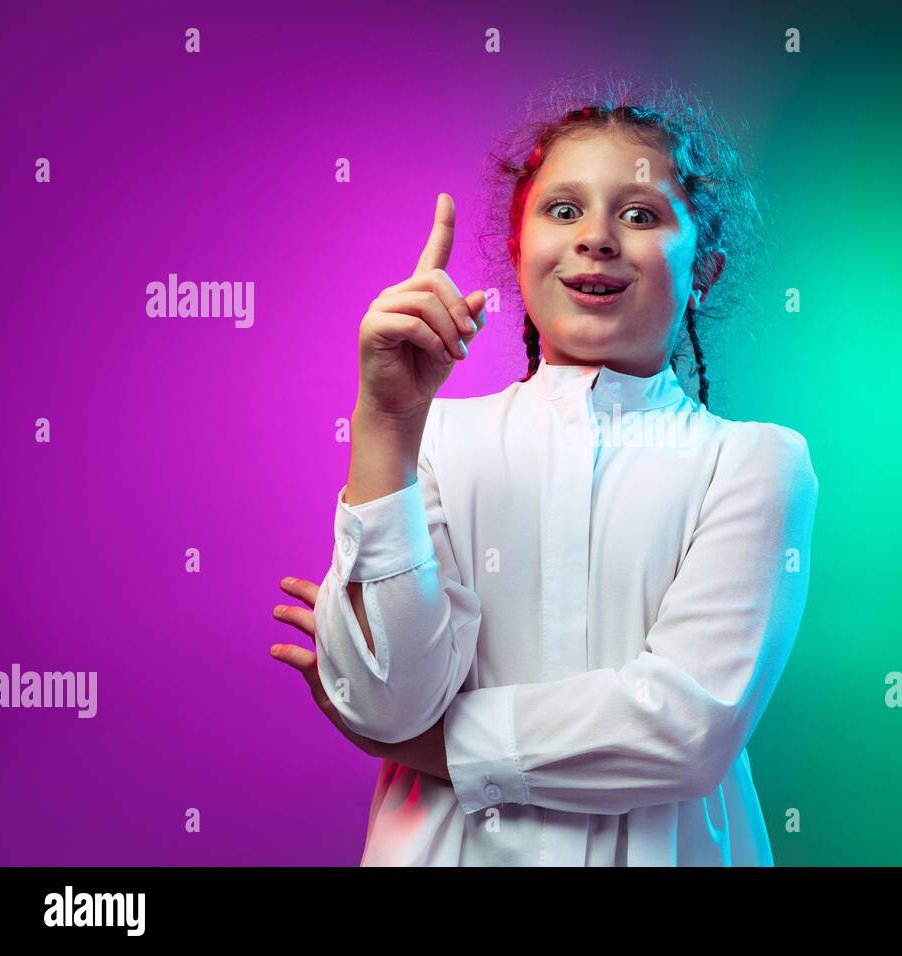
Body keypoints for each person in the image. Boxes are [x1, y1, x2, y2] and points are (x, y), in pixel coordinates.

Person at [269, 81, 819, 866]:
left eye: (640, 214)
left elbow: (685, 733)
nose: (597, 237)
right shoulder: (431, 440)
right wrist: (385, 422)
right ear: (519, 250)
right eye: (564, 210)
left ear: (705, 266)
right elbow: (393, 696)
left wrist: (431, 742)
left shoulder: (755, 462)